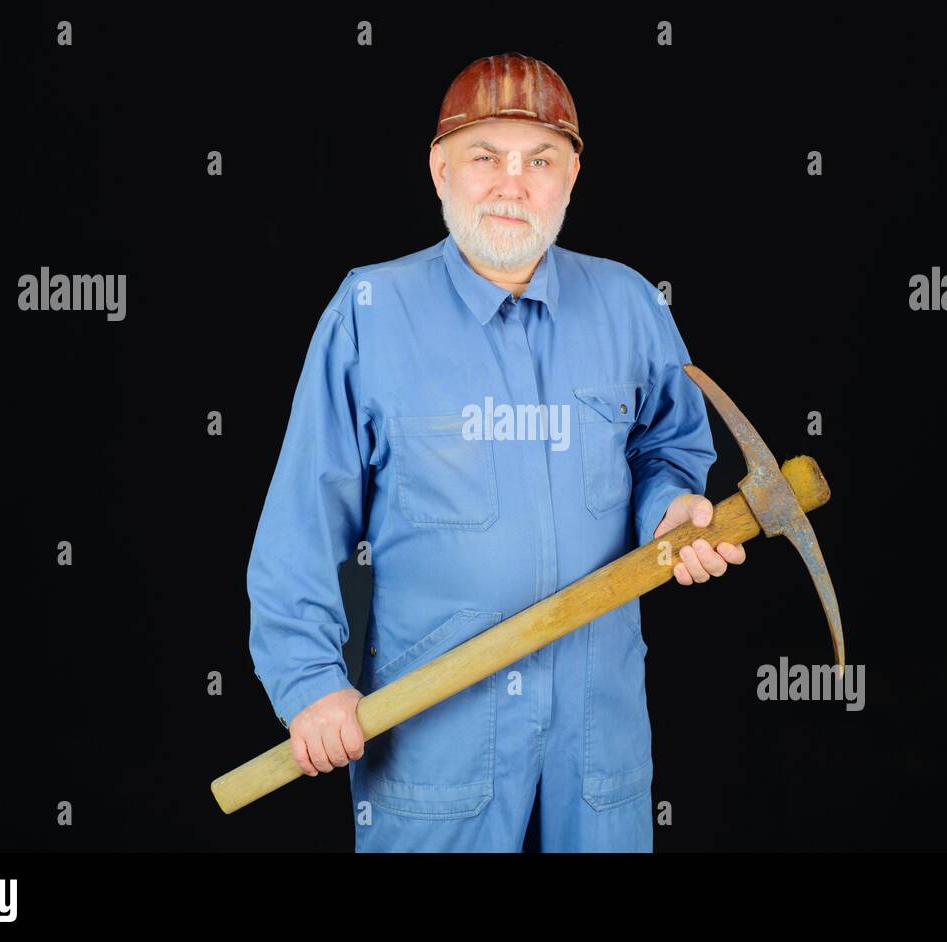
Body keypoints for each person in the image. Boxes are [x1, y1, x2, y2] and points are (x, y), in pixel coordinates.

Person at [247, 52, 745, 852]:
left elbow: (669, 450)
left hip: (598, 732)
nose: (513, 184)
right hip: (436, 739)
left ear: (572, 177)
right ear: (440, 169)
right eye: (486, 157)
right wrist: (310, 683)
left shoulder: (627, 304)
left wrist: (671, 511)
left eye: (540, 160)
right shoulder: (369, 312)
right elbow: (303, 524)